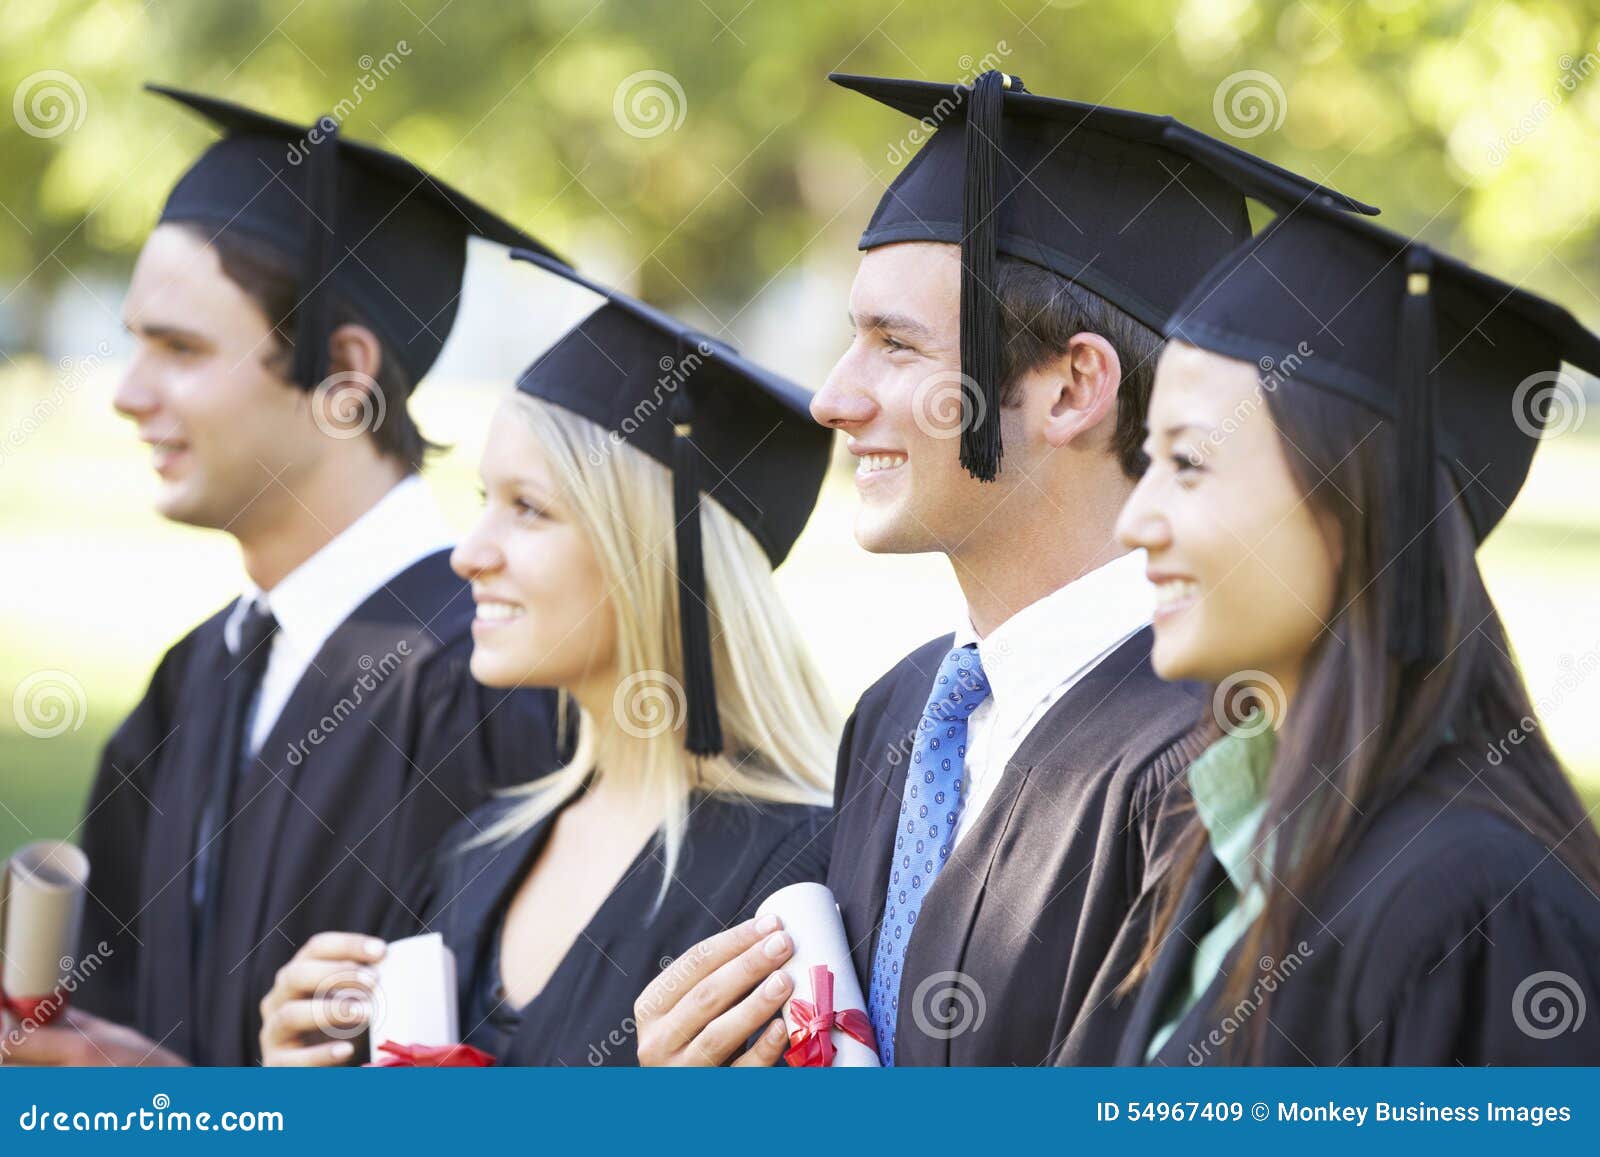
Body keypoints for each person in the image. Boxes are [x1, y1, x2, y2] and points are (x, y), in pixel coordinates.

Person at [635, 70, 1378, 1067]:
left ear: (1071, 386)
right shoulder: (896, 717)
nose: (832, 399)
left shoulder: (1218, 760)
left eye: (893, 346)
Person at [10, 87, 566, 1068]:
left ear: (344, 372)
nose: (129, 393)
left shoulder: (492, 691)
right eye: (134, 339)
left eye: (178, 348)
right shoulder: (196, 676)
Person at [256, 255, 840, 1067]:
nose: (469, 554)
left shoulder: (796, 882)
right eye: (482, 502)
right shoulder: (480, 852)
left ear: (657, 559)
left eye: (528, 509)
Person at [1062, 194, 1600, 1065]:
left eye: (1189, 463)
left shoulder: (1476, 911)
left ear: (1354, 507)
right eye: (1146, 461)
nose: (1137, 520)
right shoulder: (1230, 841)